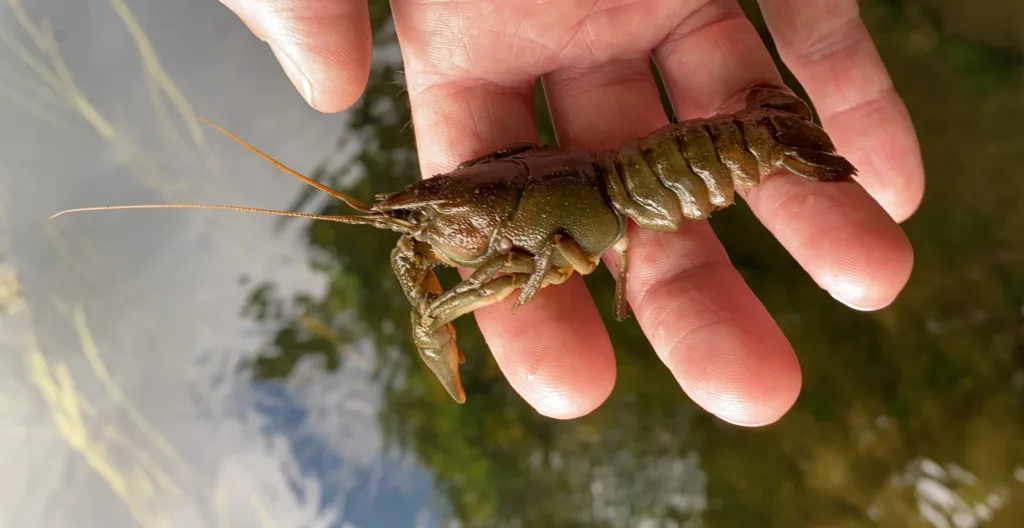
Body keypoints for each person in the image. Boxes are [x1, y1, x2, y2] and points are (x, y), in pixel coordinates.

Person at [221, 0, 924, 426]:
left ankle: (770, 136)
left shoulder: (531, 234)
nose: (420, 232)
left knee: (431, 313)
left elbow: (540, 252)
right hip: (623, 173)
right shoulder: (482, 188)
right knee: (419, 260)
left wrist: (500, 282)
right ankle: (772, 130)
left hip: (655, 180)